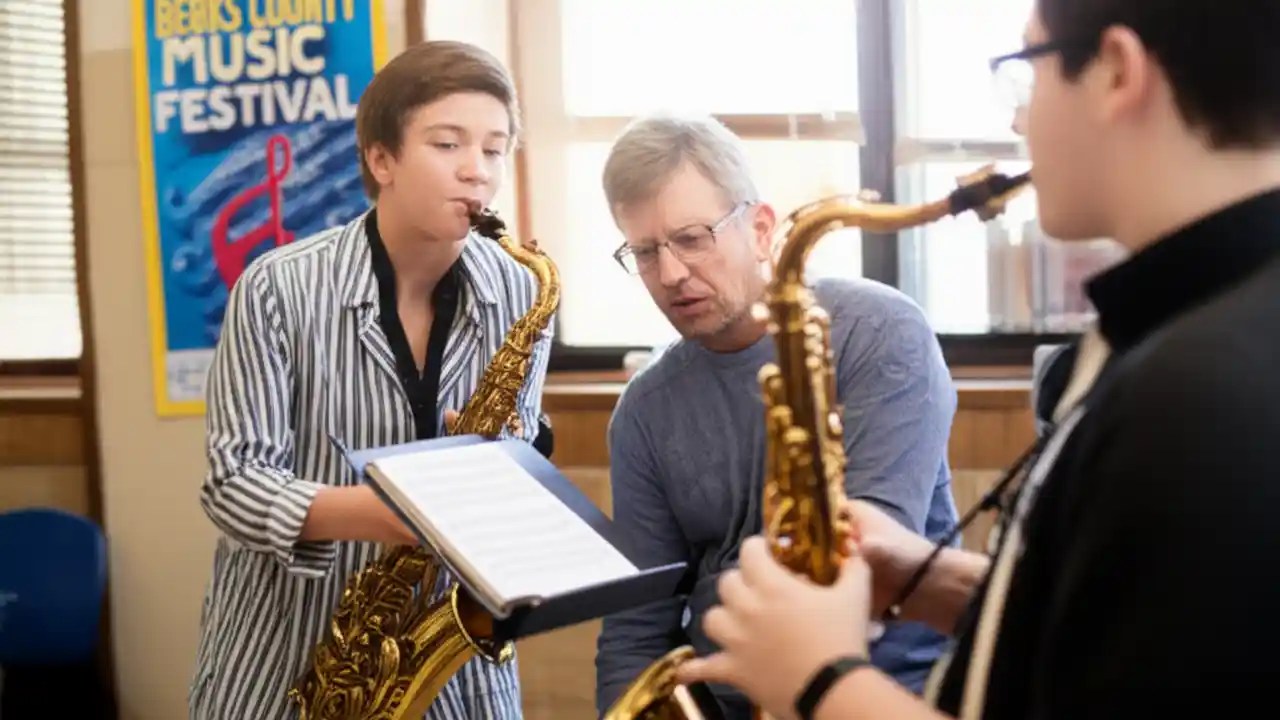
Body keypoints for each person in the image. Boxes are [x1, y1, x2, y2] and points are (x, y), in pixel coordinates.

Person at [676, 1, 1280, 718]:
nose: (1018, 121)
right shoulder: (1192, 327)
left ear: (1116, 71)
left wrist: (818, 679)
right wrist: (928, 580)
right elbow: (1140, 631)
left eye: (1027, 69)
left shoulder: (1202, 396)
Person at [189, 40, 553, 720]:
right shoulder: (276, 286)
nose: (477, 172)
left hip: (455, 664)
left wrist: (510, 464)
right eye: (448, 145)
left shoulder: (520, 288)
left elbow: (520, 447)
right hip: (289, 656)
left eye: (495, 149)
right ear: (381, 159)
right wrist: (387, 514)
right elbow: (233, 484)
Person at [593, 113, 961, 718]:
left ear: (761, 229)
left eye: (692, 237)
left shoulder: (880, 330)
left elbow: (866, 562)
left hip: (886, 692)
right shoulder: (643, 410)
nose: (671, 274)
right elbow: (636, 626)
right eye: (644, 251)